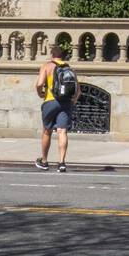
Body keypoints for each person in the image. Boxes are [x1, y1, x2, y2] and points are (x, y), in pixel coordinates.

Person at [35, 44, 79, 172]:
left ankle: (44, 161)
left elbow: (40, 83)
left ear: (52, 55)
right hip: (65, 102)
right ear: (63, 56)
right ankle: (62, 163)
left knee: (47, 131)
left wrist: (40, 93)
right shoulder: (69, 68)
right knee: (62, 131)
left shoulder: (47, 66)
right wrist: (73, 102)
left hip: (50, 101)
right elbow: (78, 91)